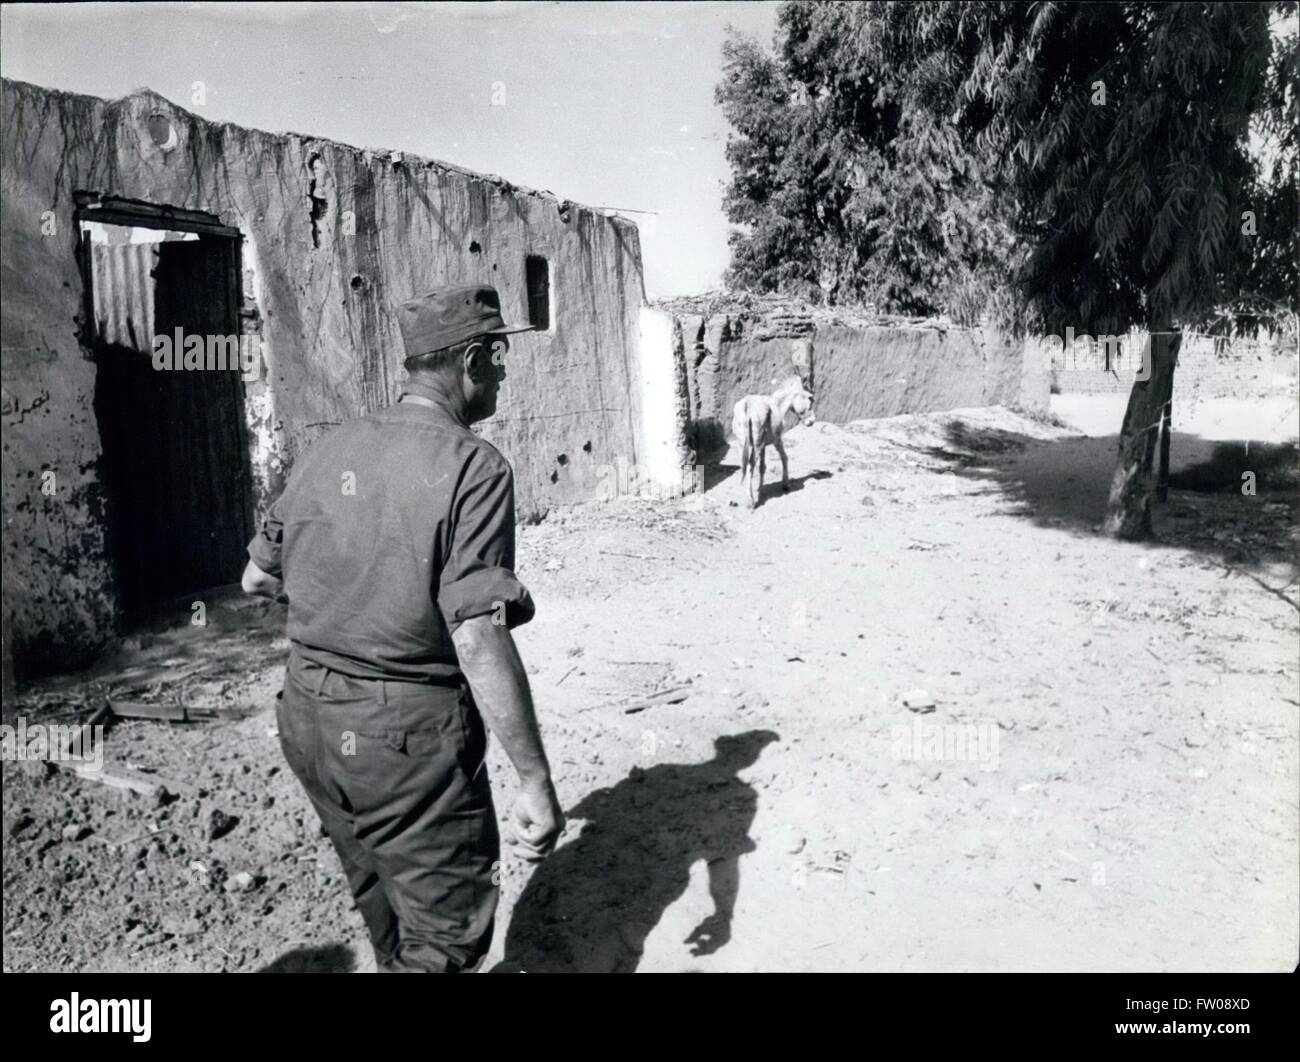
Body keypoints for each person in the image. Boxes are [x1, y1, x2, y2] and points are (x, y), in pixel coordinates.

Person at [241, 285, 564, 973]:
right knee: (444, 939)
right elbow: (477, 637)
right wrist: (535, 781)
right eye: (499, 356)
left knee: (383, 902)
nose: (505, 372)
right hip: (404, 742)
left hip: (308, 721)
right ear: (472, 360)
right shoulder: (473, 467)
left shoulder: (331, 448)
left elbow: (257, 579)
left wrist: (345, 620)